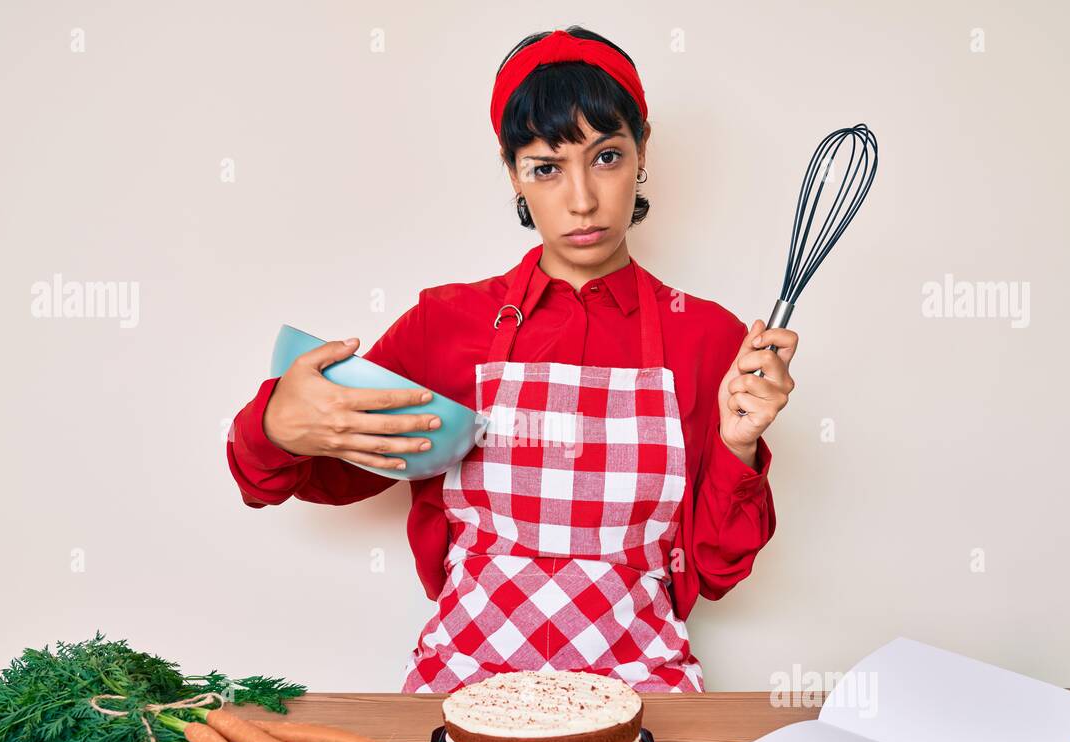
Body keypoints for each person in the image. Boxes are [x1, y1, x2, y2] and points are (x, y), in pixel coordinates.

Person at [227, 26, 797, 693]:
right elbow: (305, 479)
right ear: (513, 173)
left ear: (644, 150)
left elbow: (720, 570)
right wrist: (272, 426)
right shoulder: (445, 326)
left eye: (606, 157)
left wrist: (740, 447)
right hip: (462, 691)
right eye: (546, 167)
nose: (581, 199)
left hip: (645, 695)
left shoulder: (706, 338)